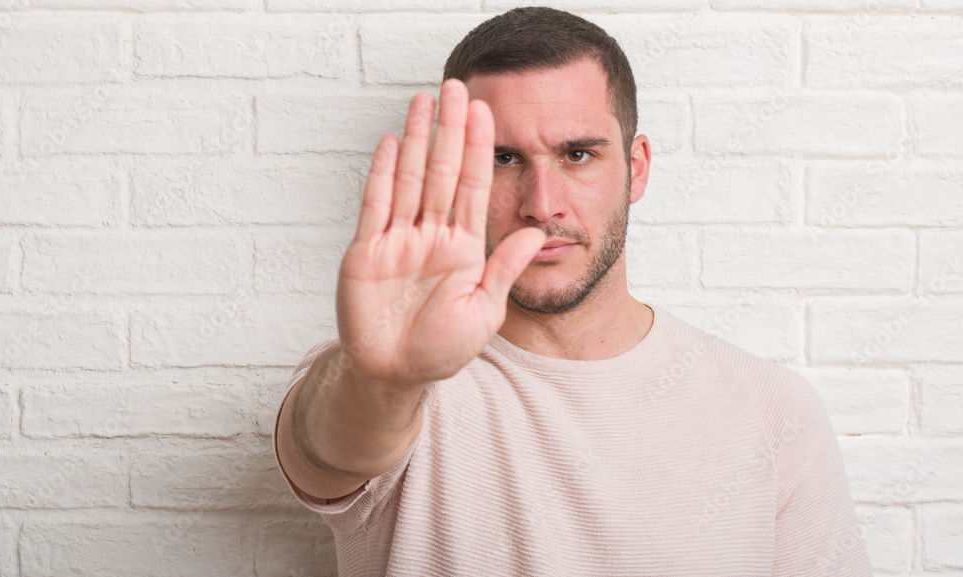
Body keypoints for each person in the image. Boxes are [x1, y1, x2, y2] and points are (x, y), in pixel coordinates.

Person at [273, 7, 873, 576]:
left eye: (578, 154)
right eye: (504, 159)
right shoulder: (384, 376)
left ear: (635, 168)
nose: (541, 205)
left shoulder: (772, 409)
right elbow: (332, 446)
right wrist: (384, 381)